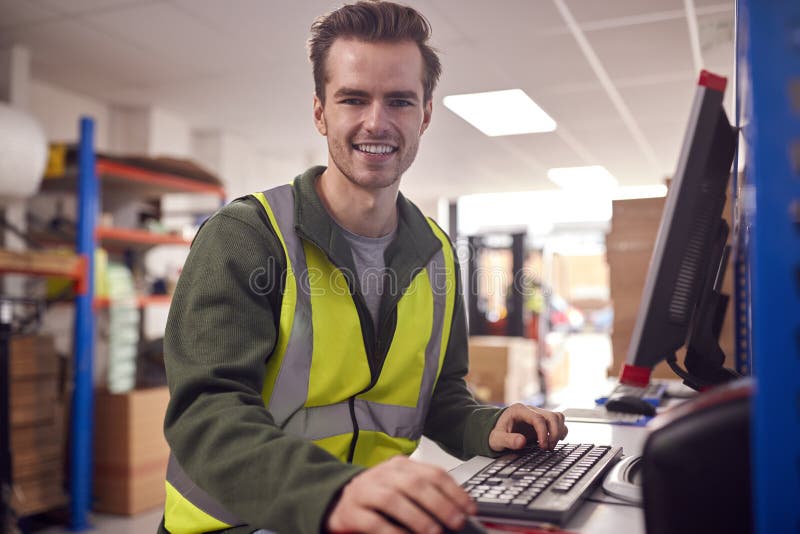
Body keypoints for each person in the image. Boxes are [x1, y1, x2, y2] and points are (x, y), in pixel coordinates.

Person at [160, 2, 568, 533]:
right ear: (320, 112)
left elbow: (439, 394)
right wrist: (334, 492)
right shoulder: (247, 237)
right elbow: (207, 413)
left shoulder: (436, 254)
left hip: (366, 517)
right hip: (237, 523)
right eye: (353, 98)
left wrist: (486, 425)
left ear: (424, 114)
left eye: (399, 101)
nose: (376, 121)